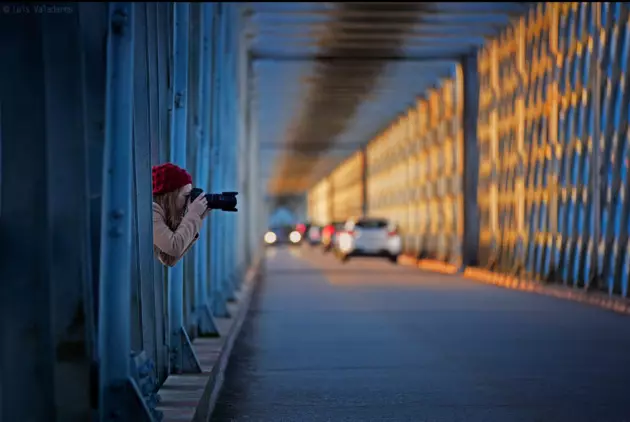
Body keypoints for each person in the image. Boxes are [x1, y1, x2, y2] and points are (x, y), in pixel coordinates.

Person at [152, 162, 210, 267]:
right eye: (186, 196)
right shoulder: (151, 211)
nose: (188, 201)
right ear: (170, 196)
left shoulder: (160, 214)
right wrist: (194, 214)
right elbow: (174, 247)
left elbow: (168, 259)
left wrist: (198, 218)